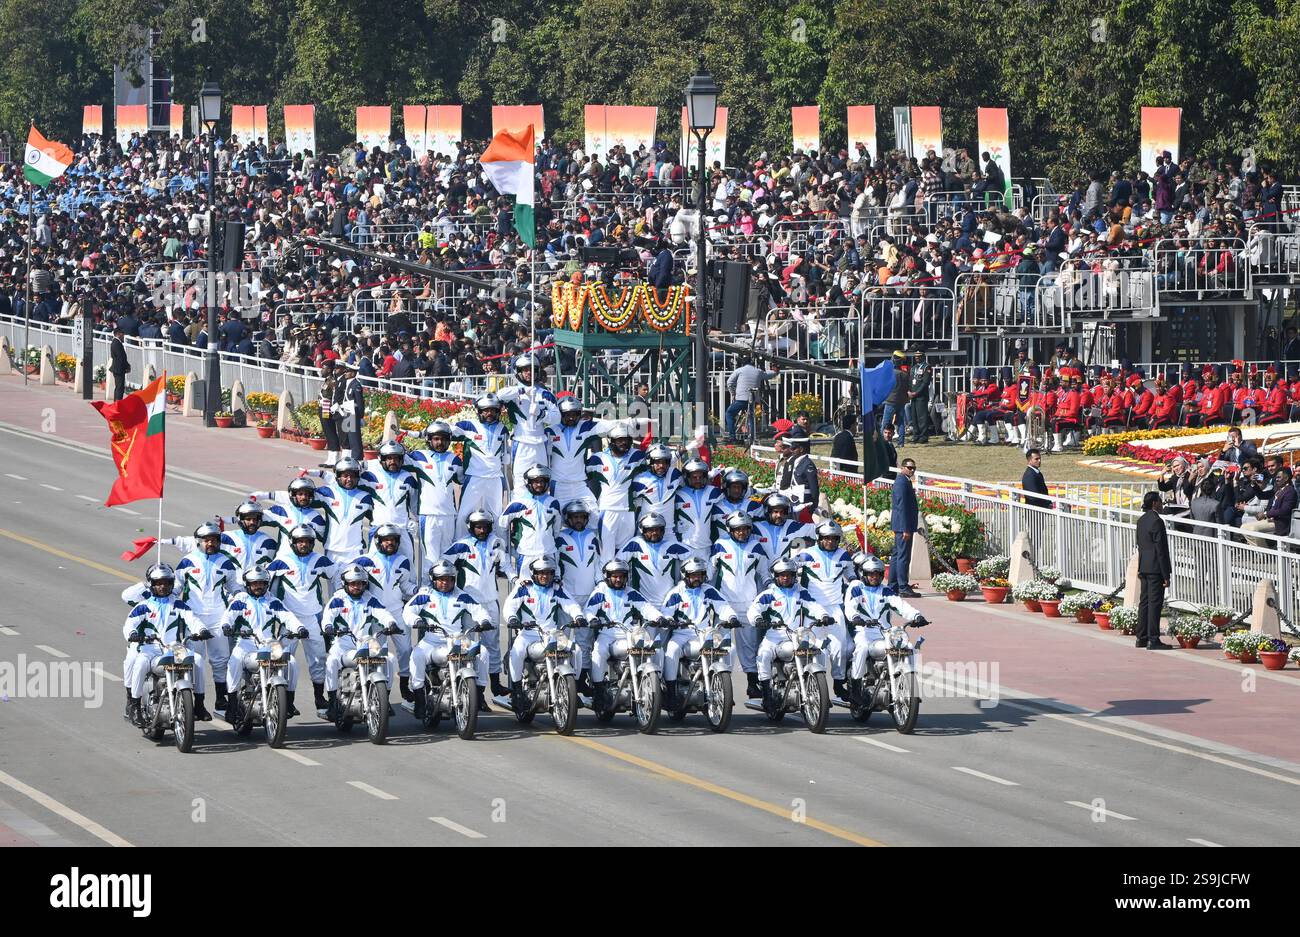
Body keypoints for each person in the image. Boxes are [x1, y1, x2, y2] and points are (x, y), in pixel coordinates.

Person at [122, 563, 213, 726]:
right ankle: (134, 706)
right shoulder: (143, 606)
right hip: (150, 649)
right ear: (151, 584)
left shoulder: (179, 605)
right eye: (158, 582)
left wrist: (201, 630)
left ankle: (199, 704)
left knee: (198, 660)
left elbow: (193, 620)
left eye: (166, 582)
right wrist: (132, 634)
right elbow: (129, 624)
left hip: (174, 648)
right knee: (140, 662)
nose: (163, 586)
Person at [403, 560, 494, 717]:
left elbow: (479, 610)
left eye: (449, 579)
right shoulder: (424, 595)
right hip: (432, 640)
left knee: (483, 652)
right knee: (416, 656)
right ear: (434, 579)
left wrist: (484, 621)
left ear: (454, 579)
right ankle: (419, 700)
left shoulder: (462, 596)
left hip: (458, 639)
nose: (445, 582)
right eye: (441, 579)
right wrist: (416, 621)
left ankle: (479, 694)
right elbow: (408, 612)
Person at [220, 566, 310, 720]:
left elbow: (288, 617)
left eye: (262, 583)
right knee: (234, 662)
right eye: (254, 583)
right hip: (245, 643)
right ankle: (232, 704)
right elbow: (228, 616)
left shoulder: (273, 601)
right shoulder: (240, 601)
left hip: (269, 644)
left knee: (292, 663)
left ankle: (288, 701)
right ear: (247, 584)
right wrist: (226, 626)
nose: (258, 586)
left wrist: (300, 628)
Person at [266, 525, 336, 714]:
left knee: (319, 659)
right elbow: (263, 581)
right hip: (289, 619)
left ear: (313, 543)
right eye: (300, 541)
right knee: (285, 660)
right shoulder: (281, 561)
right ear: (293, 542)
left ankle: (319, 698)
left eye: (307, 541)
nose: (303, 544)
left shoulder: (320, 560)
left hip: (313, 618)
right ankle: (287, 702)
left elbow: (338, 576)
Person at [173, 521, 241, 712]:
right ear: (198, 542)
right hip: (193, 618)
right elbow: (176, 588)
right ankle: (197, 703)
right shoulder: (187, 561)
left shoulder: (226, 562)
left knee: (221, 660)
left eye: (214, 540)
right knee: (195, 661)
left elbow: (233, 585)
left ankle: (221, 699)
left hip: (218, 616)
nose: (210, 543)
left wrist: (241, 593)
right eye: (206, 540)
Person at [445, 510, 510, 699]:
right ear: (471, 527)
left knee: (493, 645)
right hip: (469, 603)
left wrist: (515, 577)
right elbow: (443, 564)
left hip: (491, 600)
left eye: (485, 526)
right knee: (470, 645)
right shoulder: (461, 546)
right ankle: (476, 692)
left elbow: (505, 565)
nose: (482, 530)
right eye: (478, 527)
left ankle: (496, 685)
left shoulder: (496, 542)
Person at [748, 558, 833, 702]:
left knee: (820, 650)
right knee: (763, 655)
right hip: (774, 636)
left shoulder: (802, 592)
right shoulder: (768, 594)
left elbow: (814, 606)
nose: (786, 578)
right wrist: (757, 619)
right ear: (776, 576)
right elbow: (753, 610)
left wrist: (824, 616)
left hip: (798, 635)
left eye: (789, 574)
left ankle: (819, 690)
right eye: (782, 575)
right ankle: (767, 695)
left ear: (794, 576)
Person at [322, 565, 402, 718]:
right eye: (353, 583)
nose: (356, 586)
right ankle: (332, 702)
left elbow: (383, 613)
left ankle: (384, 698)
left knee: (389, 659)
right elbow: (328, 617)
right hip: (343, 644)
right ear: (345, 583)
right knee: (332, 661)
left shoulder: (370, 599)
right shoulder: (337, 600)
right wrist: (328, 627)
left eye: (360, 583)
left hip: (366, 642)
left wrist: (391, 623)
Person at [660, 558, 740, 709]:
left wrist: (732, 617)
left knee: (730, 648)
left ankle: (723, 686)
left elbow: (723, 606)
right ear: (685, 575)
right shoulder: (676, 593)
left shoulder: (708, 590)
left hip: (706, 632)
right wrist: (669, 620)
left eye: (700, 574)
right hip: (682, 633)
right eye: (694, 575)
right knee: (671, 650)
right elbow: (666, 612)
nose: (697, 578)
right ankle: (670, 692)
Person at [351, 522, 417, 701]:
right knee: (375, 653)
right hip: (373, 615)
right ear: (378, 541)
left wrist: (416, 590)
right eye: (386, 540)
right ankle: (375, 693)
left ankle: (404, 685)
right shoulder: (364, 561)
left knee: (405, 650)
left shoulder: (403, 561)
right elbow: (351, 583)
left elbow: (406, 585)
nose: (390, 543)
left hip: (397, 612)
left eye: (393, 540)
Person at [708, 512, 769, 698]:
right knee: (720, 645)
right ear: (730, 530)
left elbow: (764, 574)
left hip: (748, 603)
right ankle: (718, 685)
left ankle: (752, 684)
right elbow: (711, 574)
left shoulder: (756, 546)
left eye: (745, 529)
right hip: (725, 603)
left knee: (749, 646)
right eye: (737, 529)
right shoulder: (720, 545)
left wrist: (770, 588)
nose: (742, 532)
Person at [791, 521, 855, 698]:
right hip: (811, 608)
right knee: (814, 648)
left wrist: (856, 581)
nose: (830, 542)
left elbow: (851, 574)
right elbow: (788, 568)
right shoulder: (806, 555)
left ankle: (838, 682)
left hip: (835, 608)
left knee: (840, 647)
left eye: (834, 538)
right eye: (826, 538)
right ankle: (813, 683)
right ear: (819, 538)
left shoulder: (843, 555)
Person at [503, 557, 587, 690]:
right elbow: (509, 606)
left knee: (576, 651)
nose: (545, 576)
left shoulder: (557, 589)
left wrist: (578, 616)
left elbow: (571, 604)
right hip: (528, 634)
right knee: (516, 652)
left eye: (548, 573)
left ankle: (572, 688)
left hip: (552, 634)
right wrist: (512, 619)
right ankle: (517, 690)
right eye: (541, 573)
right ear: (534, 574)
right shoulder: (524, 588)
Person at [843, 554, 926, 687]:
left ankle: (908, 678)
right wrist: (855, 618)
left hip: (885, 632)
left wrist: (917, 616)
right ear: (863, 574)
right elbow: (850, 606)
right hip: (861, 630)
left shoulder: (885, 590)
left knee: (908, 647)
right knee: (863, 647)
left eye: (878, 574)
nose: (874, 577)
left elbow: (901, 605)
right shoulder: (856, 587)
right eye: (871, 574)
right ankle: (856, 684)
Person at [585, 560, 662, 701]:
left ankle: (656, 684)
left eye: (621, 576)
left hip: (629, 634)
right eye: (614, 576)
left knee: (652, 648)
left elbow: (646, 607)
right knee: (598, 653)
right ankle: (599, 692)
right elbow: (589, 610)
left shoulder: (631, 593)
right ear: (607, 576)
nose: (618, 579)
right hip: (606, 634)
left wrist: (659, 617)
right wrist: (592, 619)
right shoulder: (600, 592)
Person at [497, 354, 560, 499]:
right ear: (517, 372)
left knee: (542, 479)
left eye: (532, 369)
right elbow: (498, 396)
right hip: (521, 442)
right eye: (525, 369)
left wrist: (542, 414)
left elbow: (557, 418)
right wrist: (521, 391)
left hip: (540, 443)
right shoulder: (513, 393)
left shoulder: (545, 394)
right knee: (520, 482)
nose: (529, 372)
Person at [406, 421, 463, 583]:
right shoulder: (419, 456)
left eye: (444, 439)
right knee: (429, 558)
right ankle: (426, 590)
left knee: (447, 556)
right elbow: (397, 459)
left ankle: (446, 591)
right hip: (427, 514)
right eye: (436, 439)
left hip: (449, 515)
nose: (440, 443)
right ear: (429, 440)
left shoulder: (455, 460)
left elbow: (462, 480)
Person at [587, 422, 647, 564]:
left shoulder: (636, 455)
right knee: (607, 554)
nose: (623, 443)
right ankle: (604, 585)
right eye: (619, 440)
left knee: (625, 554)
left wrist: (681, 452)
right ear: (611, 441)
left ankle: (625, 585)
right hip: (607, 511)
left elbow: (656, 464)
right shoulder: (598, 458)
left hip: (628, 511)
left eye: (626, 439)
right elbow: (580, 475)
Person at [452, 394, 511, 534]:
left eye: (493, 410)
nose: (489, 413)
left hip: (495, 478)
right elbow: (446, 433)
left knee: (496, 515)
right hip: (475, 477)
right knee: (463, 514)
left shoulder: (502, 429)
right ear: (479, 411)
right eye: (485, 410)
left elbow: (506, 449)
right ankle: (461, 545)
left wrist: (508, 455)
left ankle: (497, 546)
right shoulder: (468, 425)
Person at [361, 441, 420, 567]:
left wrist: (417, 520)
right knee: (374, 567)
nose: (393, 461)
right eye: (389, 458)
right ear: (381, 459)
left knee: (407, 565)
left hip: (402, 529)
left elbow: (415, 505)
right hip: (378, 528)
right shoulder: (370, 476)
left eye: (396, 458)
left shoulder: (408, 478)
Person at [500, 464, 564, 575]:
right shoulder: (518, 503)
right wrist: (507, 547)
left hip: (549, 552)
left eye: (542, 481)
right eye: (535, 482)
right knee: (525, 589)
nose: (539, 484)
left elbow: (556, 530)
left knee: (548, 589)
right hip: (526, 554)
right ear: (528, 483)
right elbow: (501, 525)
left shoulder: (553, 503)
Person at [310, 458, 375, 564]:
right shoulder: (327, 492)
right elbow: (303, 500)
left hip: (355, 550)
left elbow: (377, 519)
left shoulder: (365, 497)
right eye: (345, 476)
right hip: (332, 550)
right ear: (338, 476)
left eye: (353, 476)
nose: (349, 479)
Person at [619, 512, 692, 605]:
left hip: (669, 604)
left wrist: (682, 585)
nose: (654, 533)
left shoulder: (671, 545)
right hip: (643, 605)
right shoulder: (635, 544)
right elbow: (617, 563)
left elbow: (695, 559)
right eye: (650, 530)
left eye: (658, 529)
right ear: (643, 530)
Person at [248, 477, 326, 555]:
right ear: (293, 494)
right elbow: (253, 518)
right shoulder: (281, 511)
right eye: (300, 494)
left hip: (306, 563)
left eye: (306, 494)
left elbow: (326, 539)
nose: (304, 497)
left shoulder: (316, 517)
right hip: (282, 560)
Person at [1135, 491, 1172, 649]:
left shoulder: (1141, 520)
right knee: (1154, 604)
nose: (1161, 504)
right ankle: (1153, 639)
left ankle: (1141, 637)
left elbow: (1140, 545)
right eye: (1159, 501)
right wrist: (1166, 573)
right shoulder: (1157, 521)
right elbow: (1161, 549)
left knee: (1144, 603)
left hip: (1144, 565)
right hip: (1155, 567)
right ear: (1154, 503)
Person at [674, 457, 723, 561]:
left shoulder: (713, 492)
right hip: (684, 546)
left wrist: (754, 491)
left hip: (707, 547)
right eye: (694, 477)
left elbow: (732, 495)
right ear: (686, 477)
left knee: (707, 577)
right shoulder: (678, 495)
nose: (698, 480)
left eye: (701, 477)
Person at [631, 445, 682, 542]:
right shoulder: (640, 480)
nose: (662, 466)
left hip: (669, 532)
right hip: (647, 531)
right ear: (650, 461)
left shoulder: (675, 475)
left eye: (665, 462)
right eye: (657, 462)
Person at [725, 357, 778, 443]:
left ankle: (732, 437)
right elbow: (768, 375)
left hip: (741, 398)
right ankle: (752, 438)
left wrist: (733, 393)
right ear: (753, 363)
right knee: (751, 417)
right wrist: (775, 371)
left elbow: (729, 383)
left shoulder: (739, 370)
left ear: (743, 363)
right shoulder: (758, 371)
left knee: (729, 414)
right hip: (753, 399)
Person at [890, 458, 921, 597]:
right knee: (903, 557)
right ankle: (902, 586)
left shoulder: (903, 481)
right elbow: (902, 507)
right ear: (902, 467)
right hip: (903, 526)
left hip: (901, 525)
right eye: (909, 467)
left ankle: (893, 585)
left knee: (897, 556)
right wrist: (905, 529)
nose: (912, 470)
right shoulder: (902, 482)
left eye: (913, 468)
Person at [221, 502, 278, 572]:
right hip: (232, 582)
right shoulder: (226, 538)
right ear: (240, 519)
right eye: (248, 519)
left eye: (255, 519)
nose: (252, 522)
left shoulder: (268, 542)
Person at [777, 430, 820, 520]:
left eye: (794, 449)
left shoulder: (808, 464)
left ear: (801, 449)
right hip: (795, 501)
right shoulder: (797, 462)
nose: (791, 451)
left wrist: (814, 505)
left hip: (805, 502)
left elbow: (814, 488)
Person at [908, 349, 932, 443]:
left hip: (921, 395)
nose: (917, 358)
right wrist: (909, 391)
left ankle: (923, 436)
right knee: (914, 416)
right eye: (916, 356)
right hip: (913, 395)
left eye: (919, 356)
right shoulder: (913, 367)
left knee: (922, 417)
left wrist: (916, 392)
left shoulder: (927, 367)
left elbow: (925, 382)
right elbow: (910, 380)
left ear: (923, 356)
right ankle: (916, 434)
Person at [109, 325, 130, 401]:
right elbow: (120, 357)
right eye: (122, 333)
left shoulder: (116, 342)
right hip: (118, 368)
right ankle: (117, 403)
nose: (123, 335)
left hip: (118, 368)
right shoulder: (116, 343)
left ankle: (117, 402)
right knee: (119, 387)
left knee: (119, 386)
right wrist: (126, 366)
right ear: (118, 333)